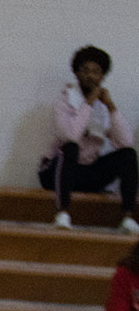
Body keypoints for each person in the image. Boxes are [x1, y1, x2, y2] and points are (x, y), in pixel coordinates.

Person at [37, 45, 138, 231]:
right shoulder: (64, 100)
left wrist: (111, 107)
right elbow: (71, 136)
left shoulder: (103, 107)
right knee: (71, 148)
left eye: (96, 72)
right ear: (76, 73)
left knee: (128, 155)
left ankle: (127, 218)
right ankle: (62, 214)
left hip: (86, 173)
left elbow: (125, 142)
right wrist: (88, 103)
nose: (90, 76)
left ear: (103, 77)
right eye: (85, 71)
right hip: (55, 171)